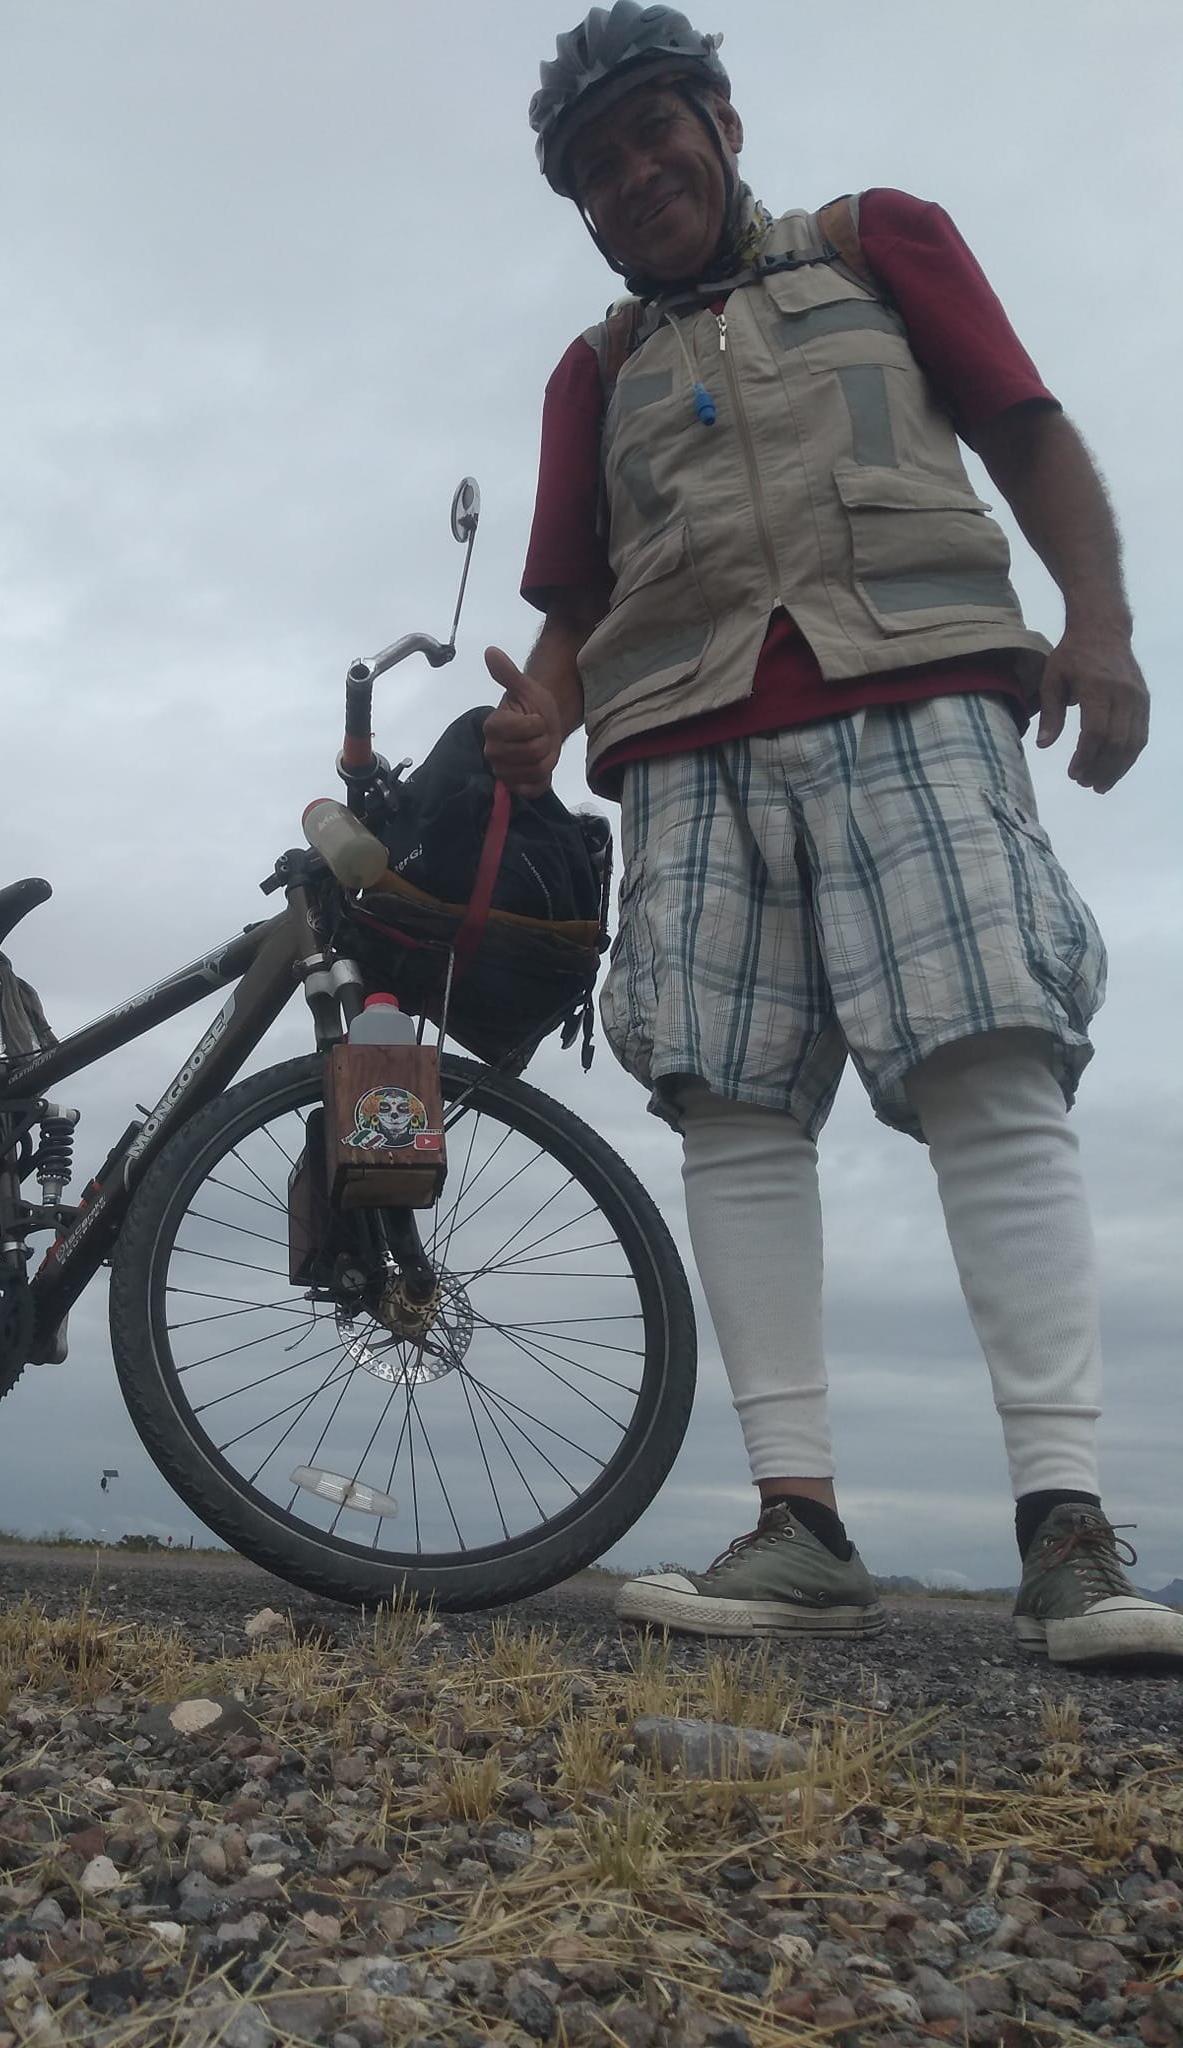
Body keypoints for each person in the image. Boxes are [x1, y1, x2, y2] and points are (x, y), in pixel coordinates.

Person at [483, 4, 1171, 1667]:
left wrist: (1101, 623)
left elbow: (1023, 426)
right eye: (597, 165)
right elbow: (575, 592)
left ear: (720, 117)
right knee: (727, 1105)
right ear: (579, 204)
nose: (635, 173)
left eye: (656, 130)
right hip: (686, 744)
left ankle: (1067, 1531)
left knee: (989, 1064)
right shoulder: (596, 372)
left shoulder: (879, 244)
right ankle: (800, 1523)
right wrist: (546, 710)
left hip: (915, 690)